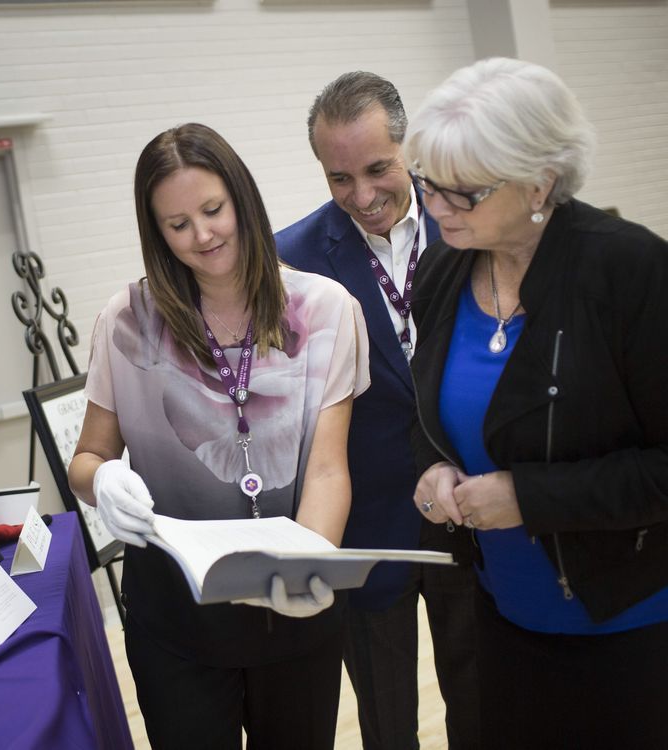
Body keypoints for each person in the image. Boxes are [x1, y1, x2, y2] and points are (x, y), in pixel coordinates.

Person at [68, 122, 369, 749]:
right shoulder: (126, 321)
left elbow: (326, 468)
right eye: (178, 225)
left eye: (212, 211)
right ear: (156, 232)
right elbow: (89, 456)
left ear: (242, 199)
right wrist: (104, 478)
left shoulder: (325, 309)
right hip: (175, 619)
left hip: (294, 609)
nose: (202, 236)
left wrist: (305, 569)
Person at [405, 57, 668, 750]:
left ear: (540, 182)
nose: (437, 209)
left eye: (464, 192)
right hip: (504, 614)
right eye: (427, 184)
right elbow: (433, 409)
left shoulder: (629, 270)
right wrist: (432, 468)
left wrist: (530, 497)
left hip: (631, 624)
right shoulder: (443, 267)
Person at [275, 71, 479, 749]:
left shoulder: (470, 221)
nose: (362, 196)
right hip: (365, 527)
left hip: (473, 514)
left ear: (408, 147)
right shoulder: (291, 260)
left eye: (376, 169)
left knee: (485, 706)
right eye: (339, 178)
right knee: (387, 727)